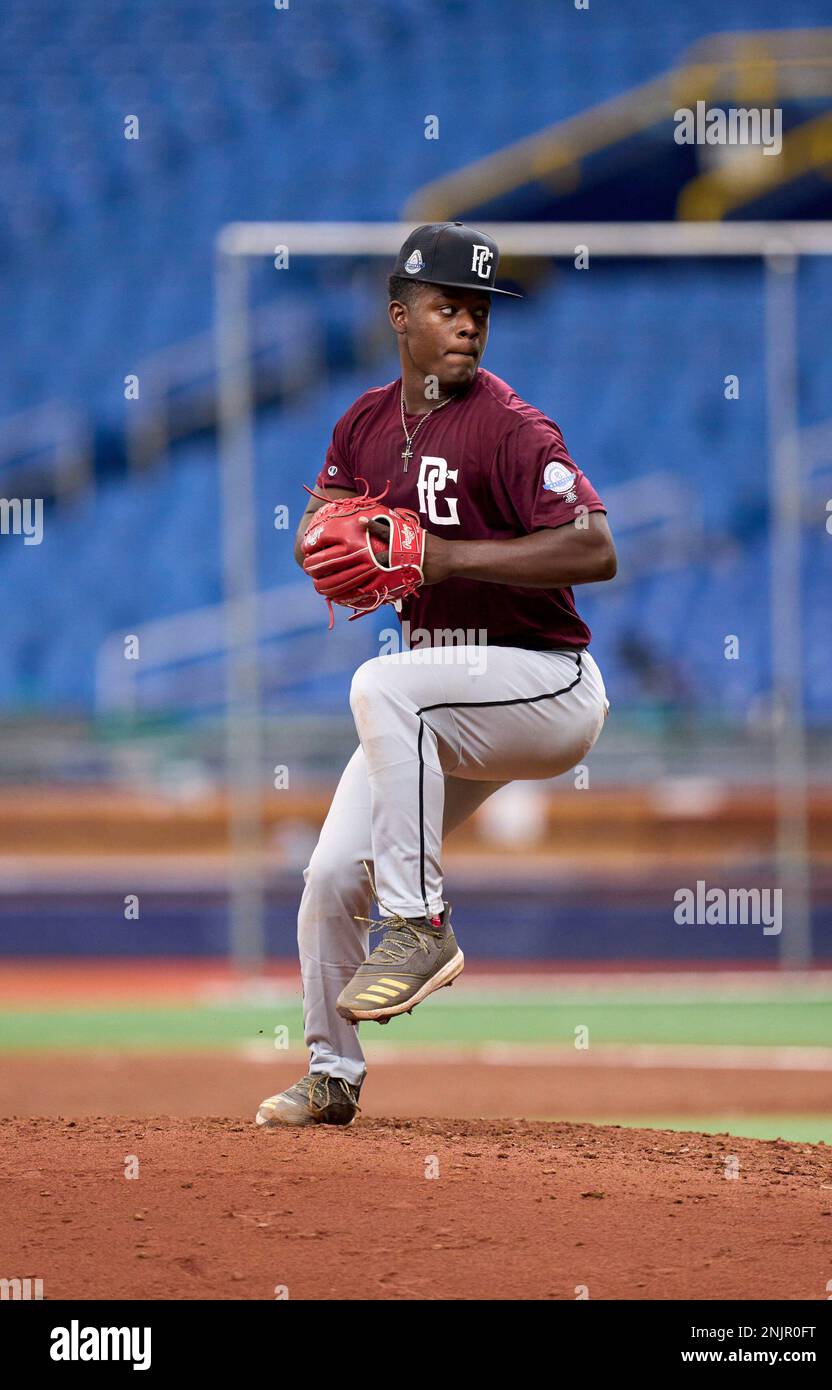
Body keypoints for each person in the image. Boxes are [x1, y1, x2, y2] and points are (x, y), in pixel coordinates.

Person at [257, 222, 616, 1128]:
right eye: (448, 307)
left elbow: (596, 546)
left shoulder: (509, 426)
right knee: (332, 875)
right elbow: (320, 522)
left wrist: (448, 560)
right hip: (443, 706)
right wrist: (322, 542)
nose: (469, 324)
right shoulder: (366, 424)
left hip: (548, 688)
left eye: (480, 310)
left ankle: (418, 926)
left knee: (381, 685)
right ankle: (332, 1074)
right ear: (400, 316)